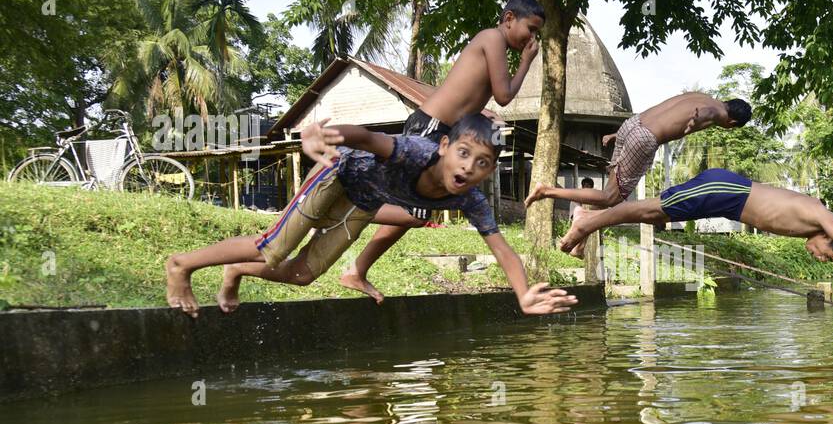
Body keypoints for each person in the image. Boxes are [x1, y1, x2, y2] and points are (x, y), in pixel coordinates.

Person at [164, 114, 577, 317]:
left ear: (490, 171)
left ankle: (235, 271)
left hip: (363, 202)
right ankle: (181, 265)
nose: (469, 168)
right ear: (444, 146)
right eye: (464, 154)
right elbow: (366, 137)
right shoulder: (416, 151)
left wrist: (522, 294)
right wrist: (323, 136)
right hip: (336, 171)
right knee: (273, 249)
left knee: (304, 274)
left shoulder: (471, 200)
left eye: (483, 163)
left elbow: (504, 251)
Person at [339, 0, 544, 302]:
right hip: (432, 128)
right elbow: (504, 95)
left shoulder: (492, 44)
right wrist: (526, 63)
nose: (532, 38)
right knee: (414, 212)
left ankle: (357, 267)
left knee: (416, 212)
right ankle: (352, 208)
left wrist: (477, 113)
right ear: (509, 19)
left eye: (537, 34)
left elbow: (469, 90)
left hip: (441, 127)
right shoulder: (493, 38)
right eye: (531, 29)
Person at [558, 167, 833, 294]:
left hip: (727, 200)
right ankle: (587, 223)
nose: (818, 256)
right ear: (829, 239)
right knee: (652, 208)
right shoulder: (823, 217)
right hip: (727, 192)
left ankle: (588, 221)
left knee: (655, 217)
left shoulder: (819, 229)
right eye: (824, 253)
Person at [525, 92, 752, 256]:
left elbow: (663, 108)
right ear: (732, 122)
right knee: (610, 198)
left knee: (608, 194)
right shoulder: (714, 111)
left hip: (632, 125)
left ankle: (581, 242)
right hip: (644, 139)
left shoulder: (701, 95)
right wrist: (696, 119)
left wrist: (618, 134)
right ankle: (548, 192)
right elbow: (706, 113)